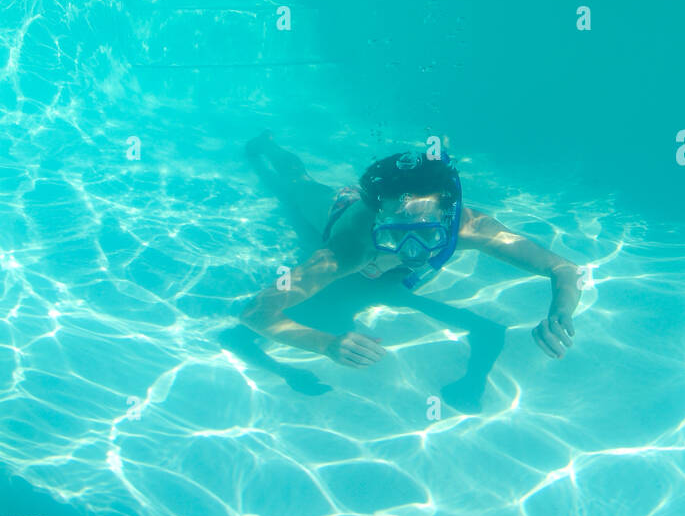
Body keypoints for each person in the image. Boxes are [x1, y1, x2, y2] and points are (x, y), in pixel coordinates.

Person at [242, 140, 582, 369]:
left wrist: (560, 313)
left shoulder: (468, 227)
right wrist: (325, 343)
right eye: (396, 233)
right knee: (298, 183)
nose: (412, 251)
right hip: (335, 209)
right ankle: (266, 146)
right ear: (378, 221)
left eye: (427, 232)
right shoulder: (352, 246)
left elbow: (564, 269)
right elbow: (256, 311)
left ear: (447, 216)